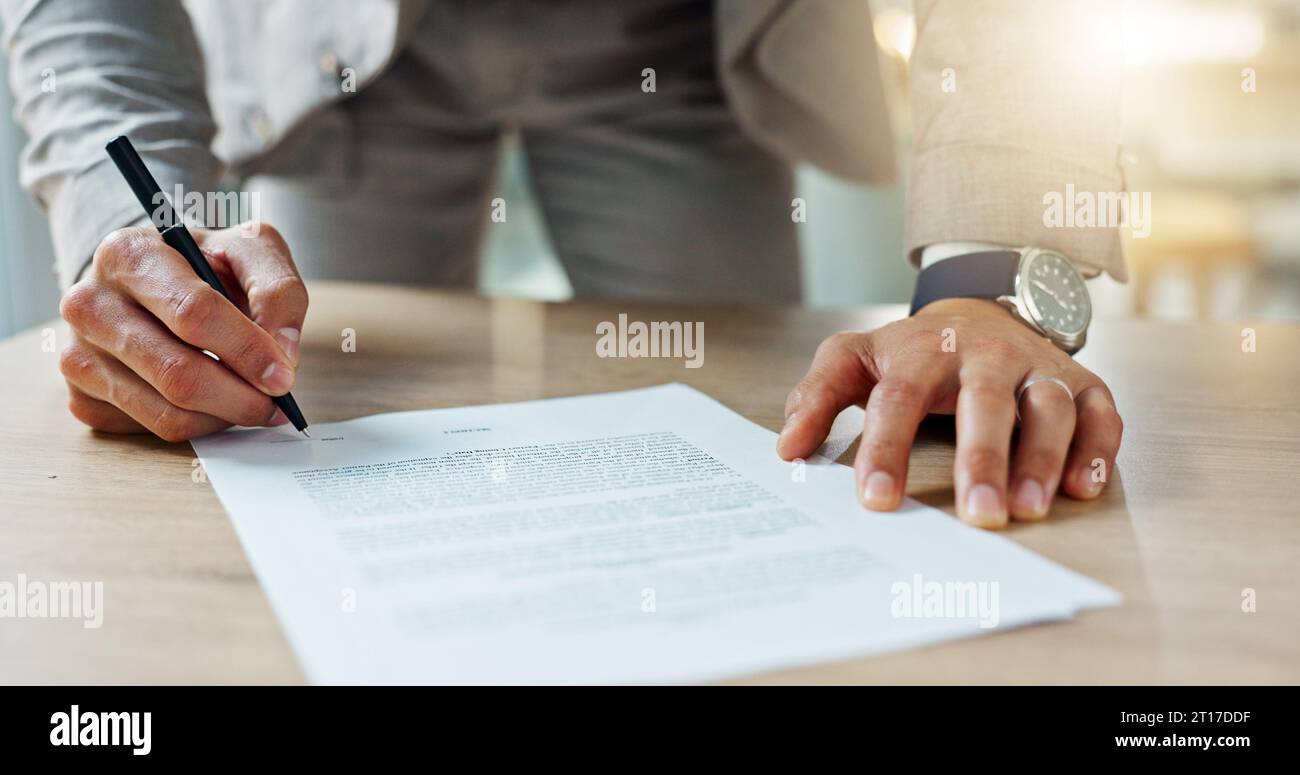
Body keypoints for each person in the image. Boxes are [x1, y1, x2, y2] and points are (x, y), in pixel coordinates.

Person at [2, 0, 1125, 529]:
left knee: (752, 464)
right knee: (236, 393)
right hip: (347, 55)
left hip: (681, 48)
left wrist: (990, 268)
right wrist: (134, 233)